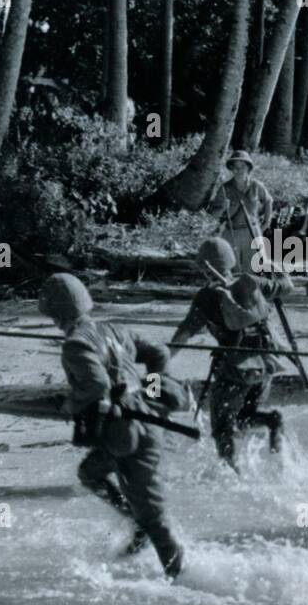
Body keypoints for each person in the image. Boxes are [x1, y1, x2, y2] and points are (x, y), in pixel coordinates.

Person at [39, 274, 184, 579]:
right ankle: (137, 523)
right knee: (90, 473)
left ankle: (180, 579)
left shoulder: (75, 344)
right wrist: (151, 391)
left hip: (129, 432)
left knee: (152, 514)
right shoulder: (115, 329)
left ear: (55, 314)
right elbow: (159, 352)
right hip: (140, 422)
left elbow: (96, 385)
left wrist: (68, 405)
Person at [171, 236, 293, 470]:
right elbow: (287, 285)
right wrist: (272, 266)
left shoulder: (207, 297)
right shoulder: (252, 282)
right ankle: (273, 420)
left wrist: (161, 362)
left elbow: (184, 333)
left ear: (203, 266)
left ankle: (230, 474)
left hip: (234, 371)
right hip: (266, 366)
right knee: (245, 417)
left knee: (222, 429)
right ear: (231, 260)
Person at [209, 150, 274, 275]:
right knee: (232, 269)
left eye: (242, 167)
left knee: (254, 269)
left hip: (252, 231)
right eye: (235, 167)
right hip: (231, 232)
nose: (239, 170)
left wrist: (267, 222)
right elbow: (214, 215)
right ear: (231, 169)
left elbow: (268, 201)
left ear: (248, 168)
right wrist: (222, 208)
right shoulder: (225, 188)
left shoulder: (256, 186)